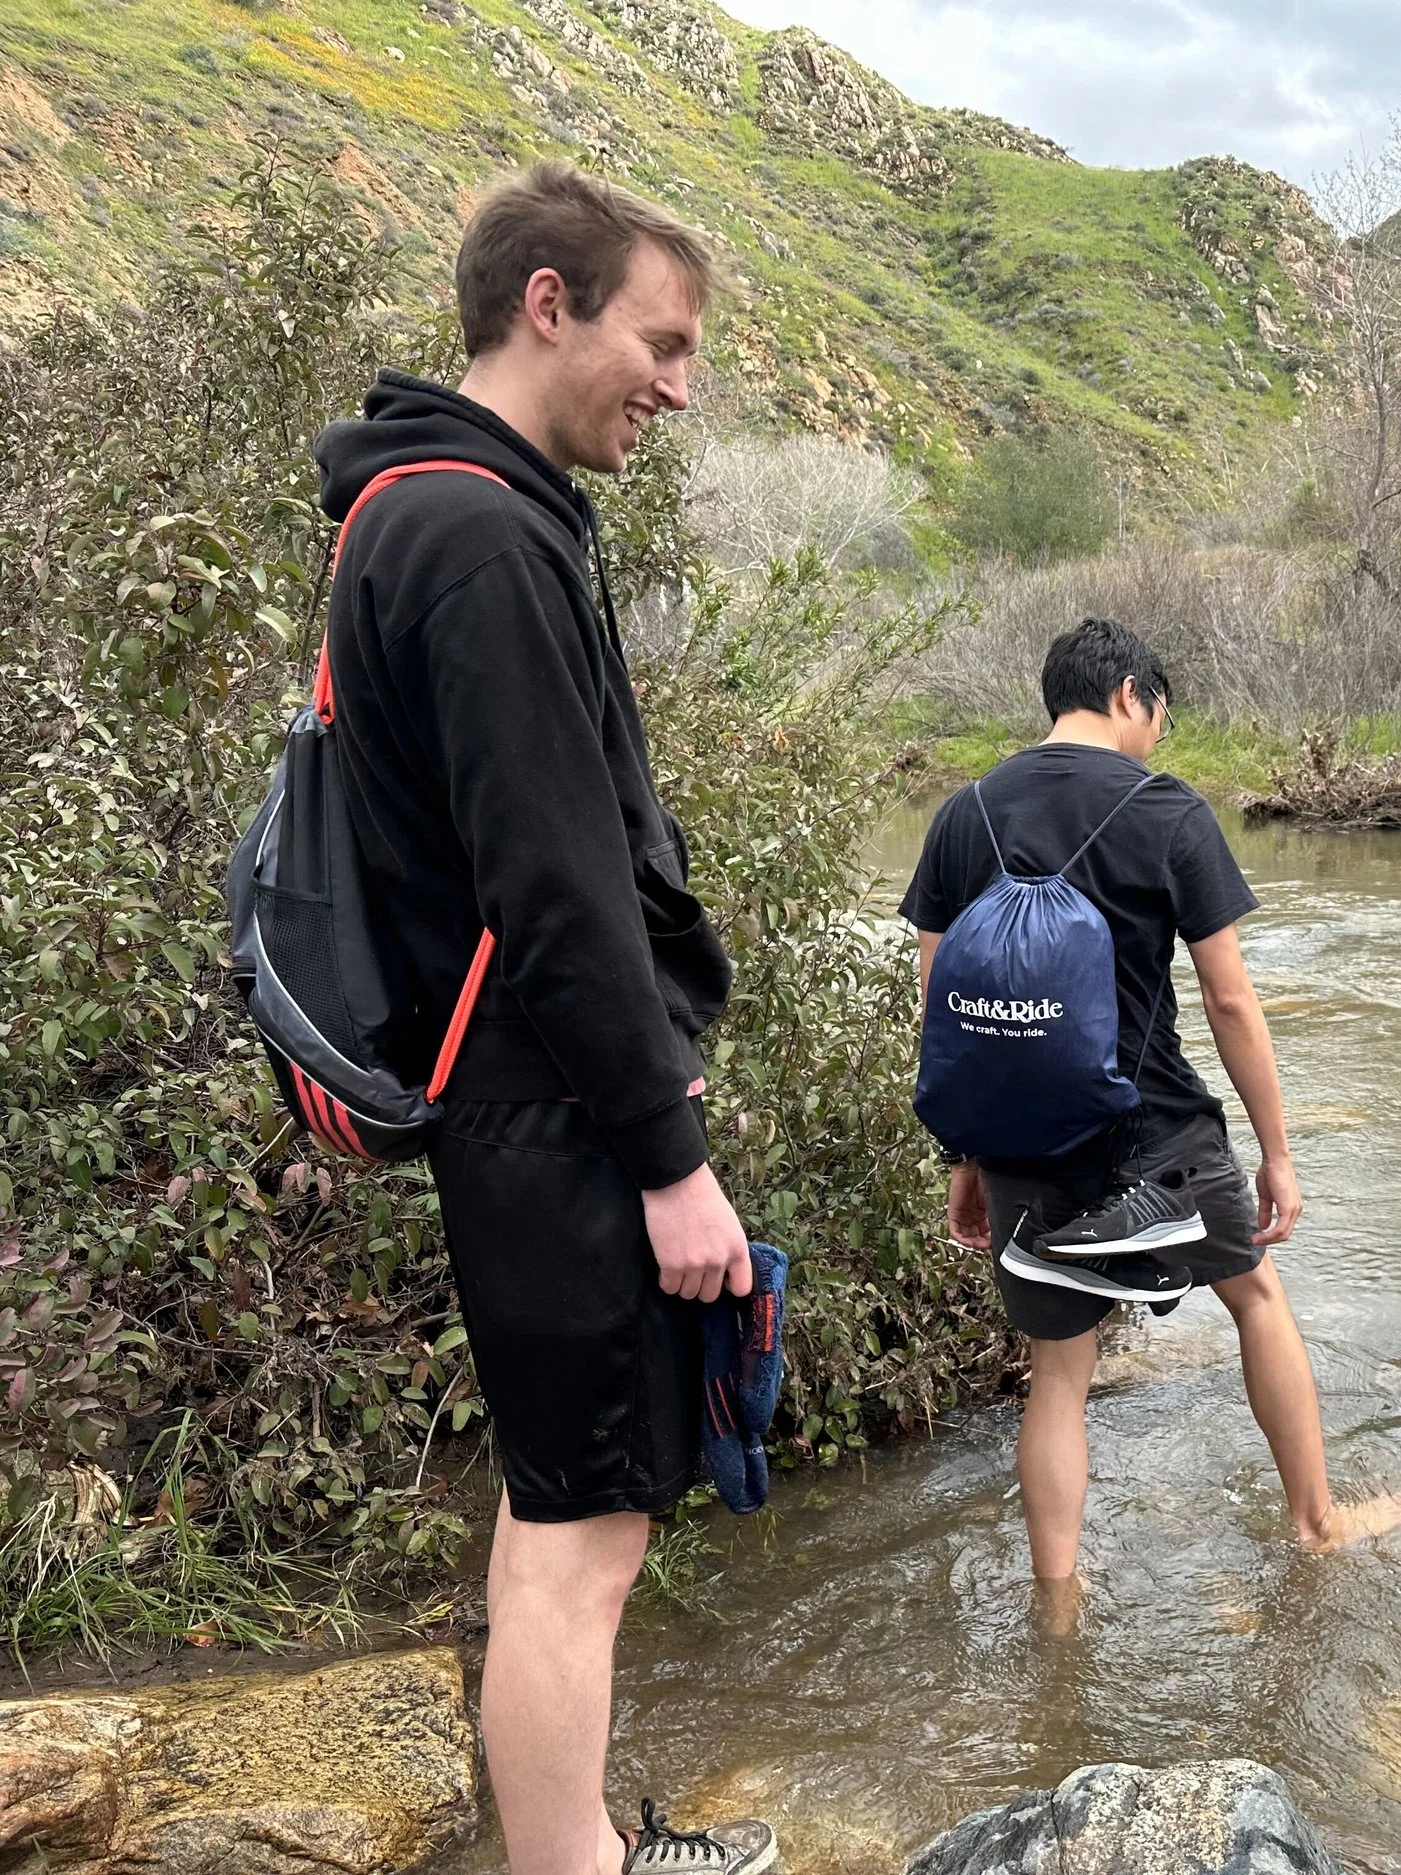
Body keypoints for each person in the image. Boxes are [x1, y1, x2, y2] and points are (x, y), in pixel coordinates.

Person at [314, 165, 775, 1875]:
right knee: (585, 1543)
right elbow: (559, 886)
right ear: (549, 303)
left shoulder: (421, 510)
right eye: (661, 342)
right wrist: (670, 1161)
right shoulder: (483, 538)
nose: (676, 385)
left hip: (517, 1100)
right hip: (556, 1113)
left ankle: (569, 1843)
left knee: (555, 1514)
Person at [903, 619, 1399, 1607]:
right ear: (1131, 694)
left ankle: (1058, 1598)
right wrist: (1278, 1152)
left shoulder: (965, 814)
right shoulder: (1166, 809)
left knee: (1058, 1373)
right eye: (1158, 715)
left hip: (1021, 1145)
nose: (1156, 736)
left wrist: (967, 1153)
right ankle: (1316, 1524)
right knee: (1255, 1296)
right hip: (1158, 1135)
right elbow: (1228, 1000)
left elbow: (944, 1004)